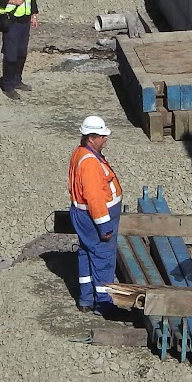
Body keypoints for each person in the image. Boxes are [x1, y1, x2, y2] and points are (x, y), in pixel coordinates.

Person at [68, 115, 124, 314]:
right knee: (103, 258)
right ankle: (103, 304)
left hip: (82, 216)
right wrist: (104, 226)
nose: (105, 139)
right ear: (91, 138)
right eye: (102, 136)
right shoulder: (90, 163)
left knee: (86, 253)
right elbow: (94, 198)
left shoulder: (80, 153)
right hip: (94, 218)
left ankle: (86, 299)